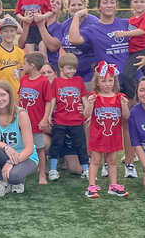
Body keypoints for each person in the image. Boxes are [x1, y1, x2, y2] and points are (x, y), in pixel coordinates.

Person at [67, 0, 136, 88]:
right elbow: (73, 39)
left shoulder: (126, 23)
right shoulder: (93, 28)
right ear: (99, 7)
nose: (109, 5)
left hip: (131, 77)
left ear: (116, 6)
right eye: (105, 2)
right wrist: (77, 16)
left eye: (112, 2)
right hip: (109, 82)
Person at [0, 82, 37, 197]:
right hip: (5, 153)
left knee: (14, 177)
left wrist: (11, 162)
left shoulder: (21, 114)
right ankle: (2, 181)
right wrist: (6, 147)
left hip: (25, 157)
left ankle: (17, 180)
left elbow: (29, 148)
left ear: (10, 96)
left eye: (3, 95)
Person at [83, 62, 129, 198]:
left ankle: (113, 185)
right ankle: (91, 186)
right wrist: (90, 104)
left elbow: (126, 116)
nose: (107, 84)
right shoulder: (95, 97)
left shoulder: (120, 97)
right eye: (103, 81)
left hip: (114, 137)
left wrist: (125, 106)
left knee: (113, 161)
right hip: (98, 136)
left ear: (114, 81)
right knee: (95, 160)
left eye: (110, 80)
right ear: (97, 82)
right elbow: (86, 115)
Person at [38, 0, 94, 86]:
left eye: (80, 5)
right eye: (73, 5)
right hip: (71, 73)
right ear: (68, 7)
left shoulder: (93, 22)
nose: (76, 8)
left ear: (85, 6)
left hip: (89, 73)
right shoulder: (65, 25)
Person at [49, 52, 90, 180]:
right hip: (60, 120)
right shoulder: (57, 81)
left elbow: (84, 99)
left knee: (81, 145)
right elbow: (53, 100)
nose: (72, 70)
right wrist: (48, 115)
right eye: (69, 67)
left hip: (76, 120)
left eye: (74, 68)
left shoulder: (78, 80)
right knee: (56, 144)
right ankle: (53, 169)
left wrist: (87, 112)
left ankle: (86, 169)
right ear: (61, 68)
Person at [16, 52, 54, 185]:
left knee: (39, 148)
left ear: (32, 66)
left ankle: (42, 174)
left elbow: (48, 101)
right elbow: (19, 97)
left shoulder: (43, 81)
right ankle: (21, 171)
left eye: (25, 63)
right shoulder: (24, 79)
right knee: (21, 146)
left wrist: (45, 118)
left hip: (36, 121)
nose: (23, 65)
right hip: (22, 121)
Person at [120, 0, 145, 101]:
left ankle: (135, 97)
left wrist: (124, 33)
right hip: (131, 50)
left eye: (142, 2)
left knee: (128, 75)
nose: (139, 4)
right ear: (132, 3)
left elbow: (142, 31)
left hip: (139, 51)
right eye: (136, 2)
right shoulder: (132, 18)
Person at [0, 15, 25, 96]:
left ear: (16, 32)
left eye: (12, 31)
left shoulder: (20, 52)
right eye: (6, 31)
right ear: (0, 33)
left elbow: (22, 77)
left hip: (16, 94)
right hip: (0, 95)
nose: (9, 34)